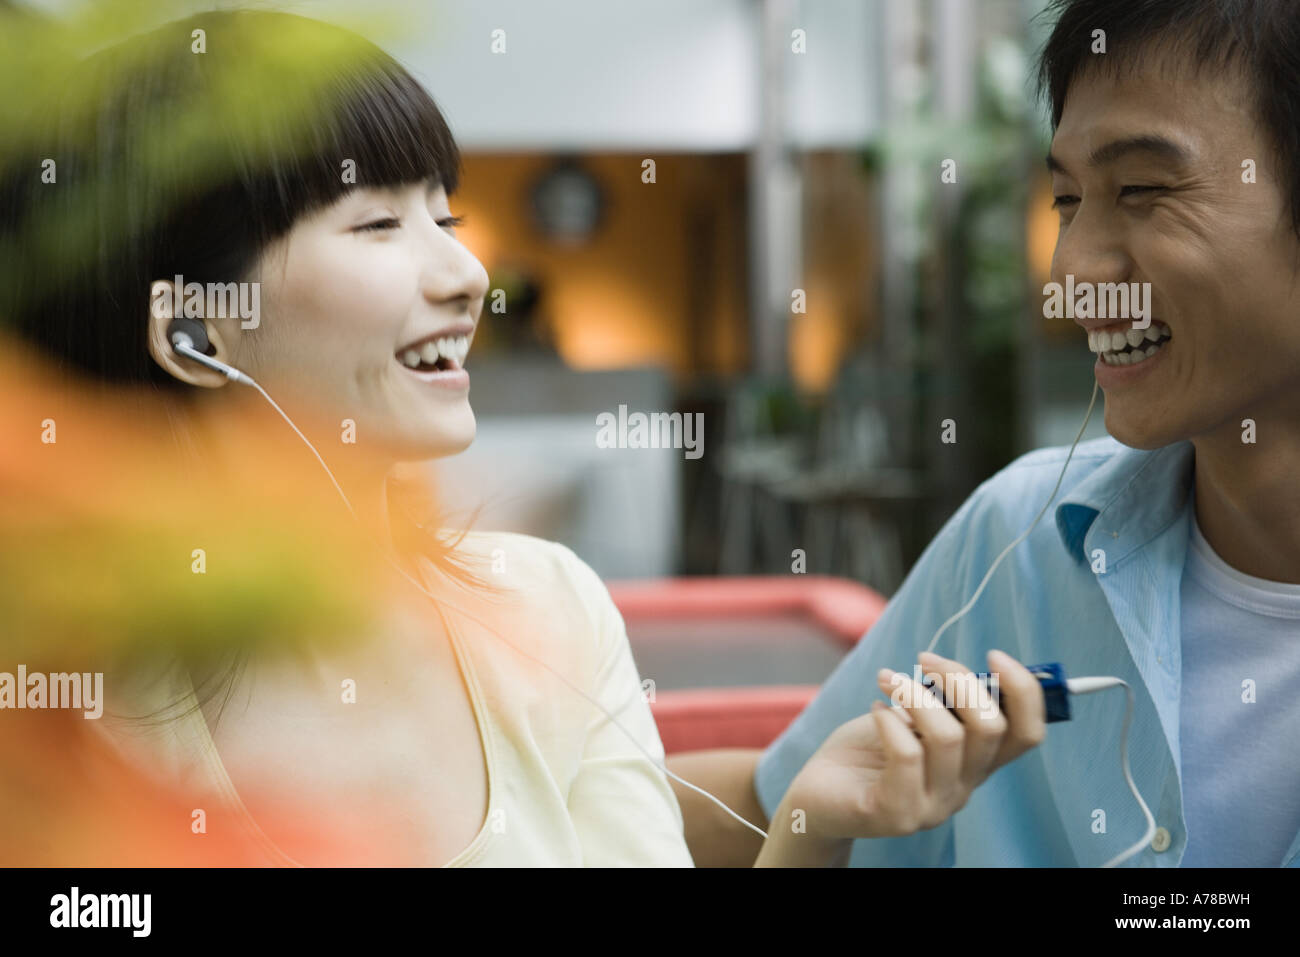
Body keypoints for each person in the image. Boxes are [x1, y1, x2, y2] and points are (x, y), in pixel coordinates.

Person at [0, 8, 1050, 867]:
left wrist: (809, 828)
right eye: (376, 224)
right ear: (191, 327)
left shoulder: (549, 609)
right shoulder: (60, 713)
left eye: (445, 218)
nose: (465, 277)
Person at [677, 0, 1300, 869]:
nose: (1074, 271)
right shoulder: (1024, 539)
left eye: (1145, 191)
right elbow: (770, 805)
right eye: (1068, 201)